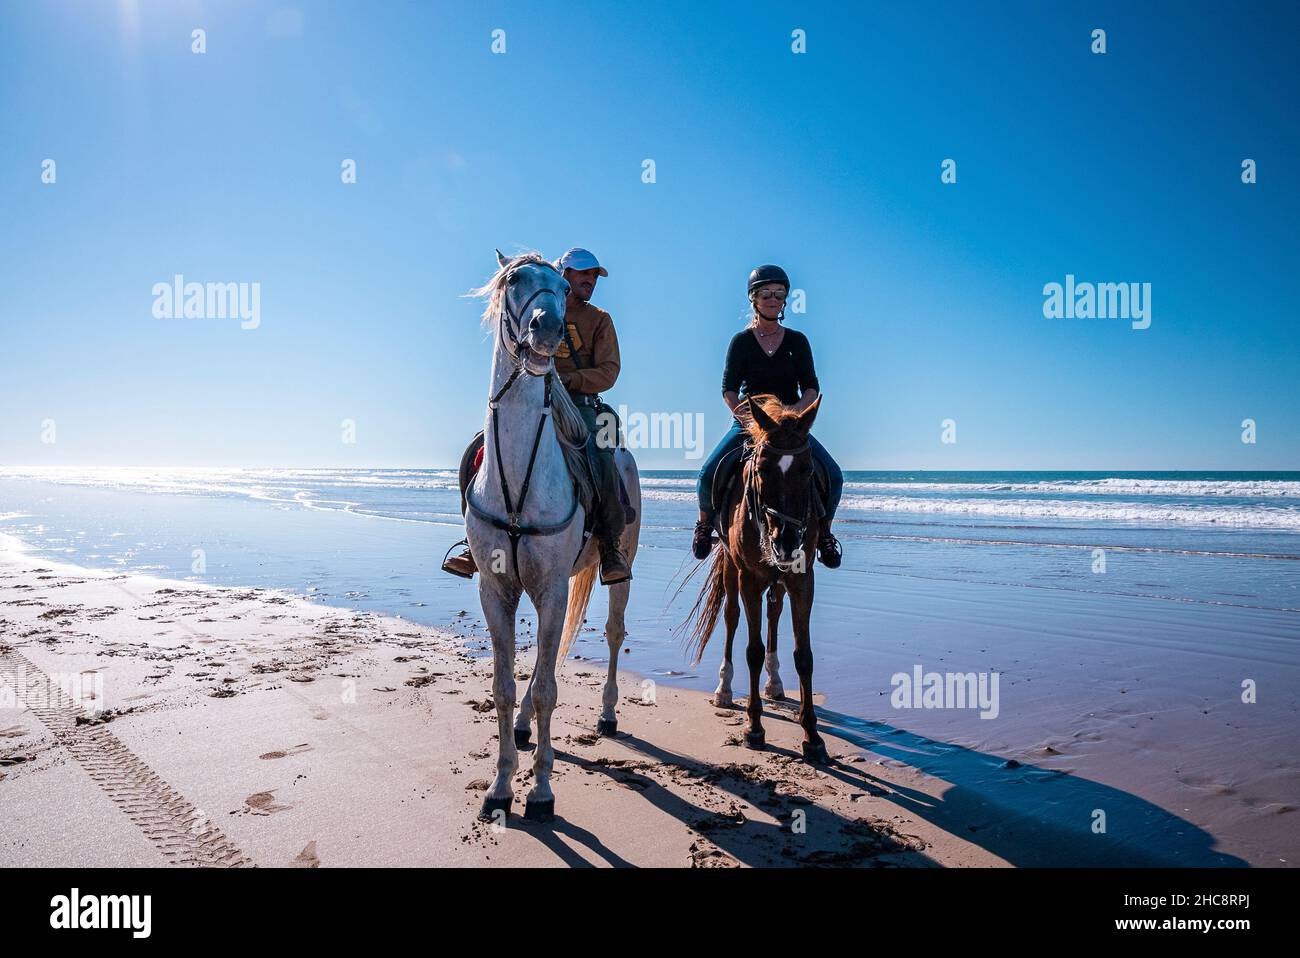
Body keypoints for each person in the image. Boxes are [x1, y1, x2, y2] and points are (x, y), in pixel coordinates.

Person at [442, 247, 632, 585]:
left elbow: (609, 371)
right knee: (477, 451)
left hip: (579, 406)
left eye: (594, 275)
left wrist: (567, 380)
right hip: (534, 399)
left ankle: (610, 548)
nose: (590, 280)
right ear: (564, 275)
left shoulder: (599, 319)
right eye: (582, 273)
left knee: (602, 455)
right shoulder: (537, 306)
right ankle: (474, 543)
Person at [693, 264, 843, 567]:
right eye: (765, 294)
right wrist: (748, 419)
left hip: (790, 426)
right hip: (750, 423)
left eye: (779, 294)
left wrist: (795, 416)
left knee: (834, 475)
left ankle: (825, 533)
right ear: (754, 299)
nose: (773, 299)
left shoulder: (798, 341)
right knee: (708, 473)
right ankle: (704, 525)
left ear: (786, 300)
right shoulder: (741, 342)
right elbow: (728, 390)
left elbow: (811, 388)